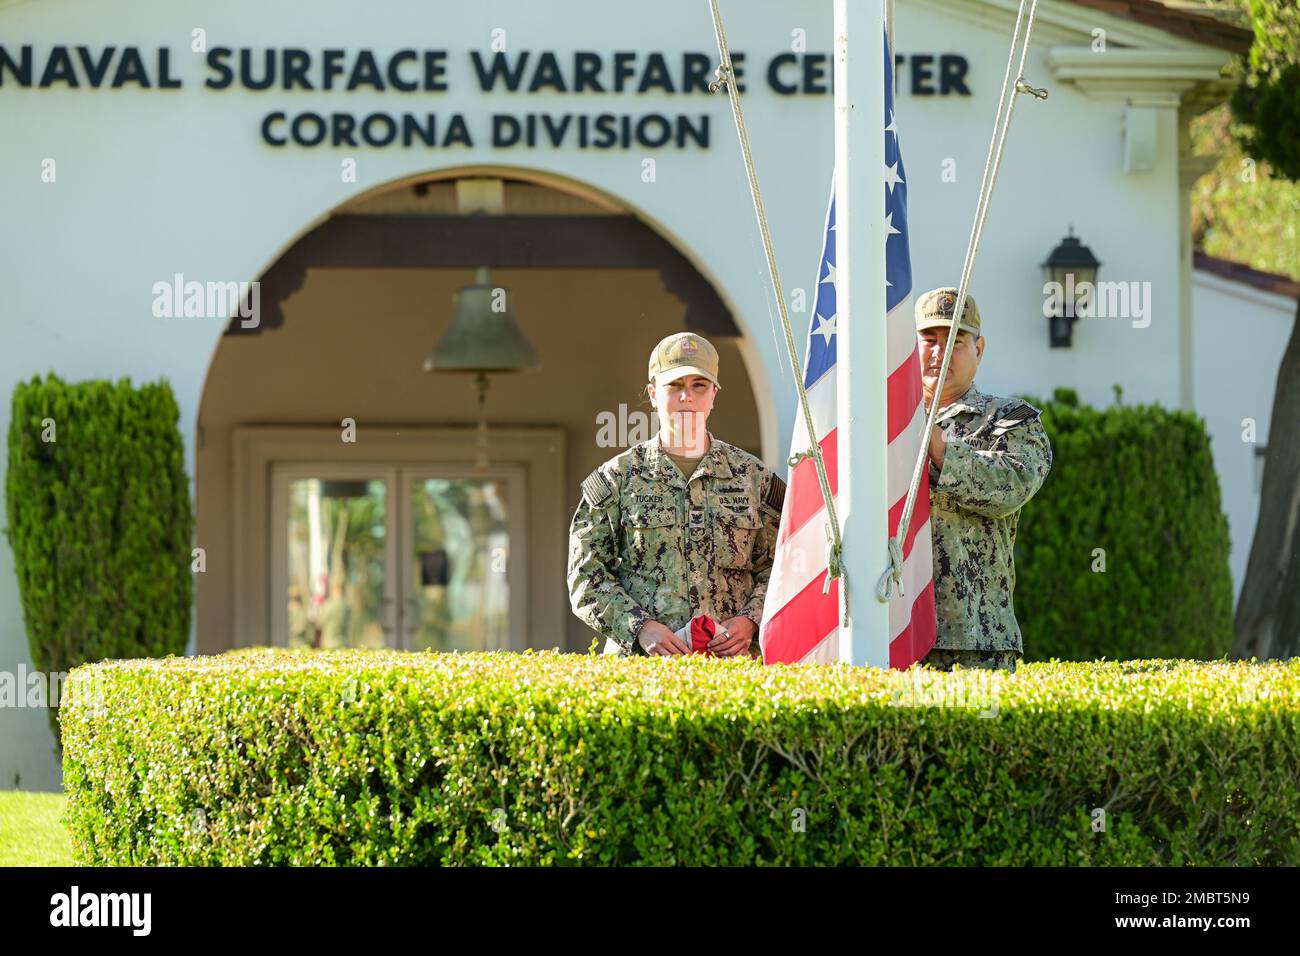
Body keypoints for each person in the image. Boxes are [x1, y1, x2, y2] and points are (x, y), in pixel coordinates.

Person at [567, 332, 785, 657]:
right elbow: (585, 574)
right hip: (642, 674)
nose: (687, 397)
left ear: (714, 395)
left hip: (733, 673)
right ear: (653, 394)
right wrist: (640, 628)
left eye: (699, 385)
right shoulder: (618, 479)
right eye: (675, 386)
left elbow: (784, 564)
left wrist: (749, 620)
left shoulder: (753, 478)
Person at [915, 287, 1053, 673]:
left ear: (980, 349)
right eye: (928, 340)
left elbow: (1012, 486)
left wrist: (938, 447)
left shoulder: (1009, 420)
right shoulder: (884, 426)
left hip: (974, 640)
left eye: (955, 341)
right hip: (891, 631)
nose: (939, 352)